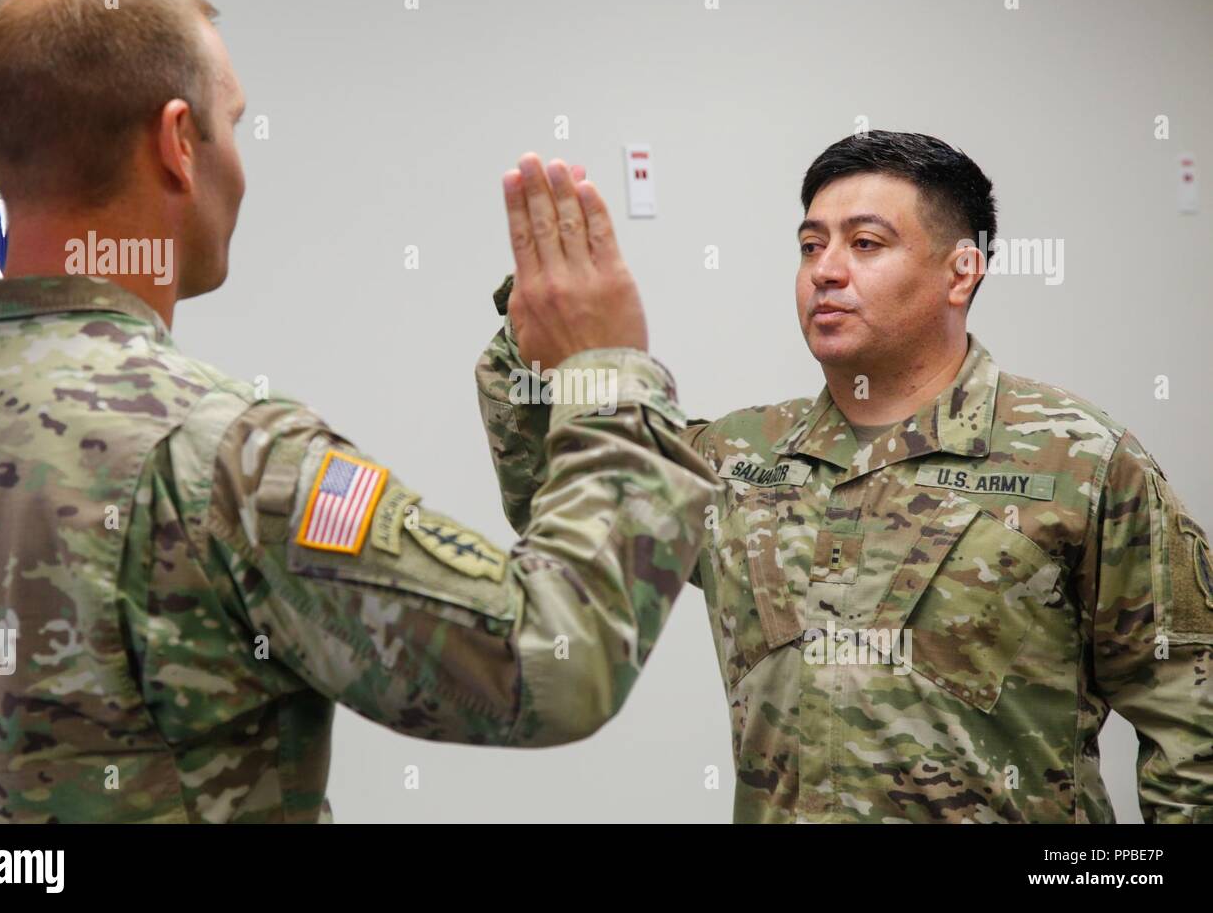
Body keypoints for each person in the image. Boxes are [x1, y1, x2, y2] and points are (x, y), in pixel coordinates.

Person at [0, 0, 719, 822]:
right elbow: (553, 660)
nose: (245, 167)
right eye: (235, 123)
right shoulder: (227, 459)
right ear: (179, 142)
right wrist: (607, 374)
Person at [477, 130, 1213, 823]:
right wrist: (537, 338)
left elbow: (1191, 713)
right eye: (810, 245)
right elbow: (564, 495)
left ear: (962, 271)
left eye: (866, 244)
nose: (826, 270)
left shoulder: (1078, 459)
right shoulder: (737, 458)